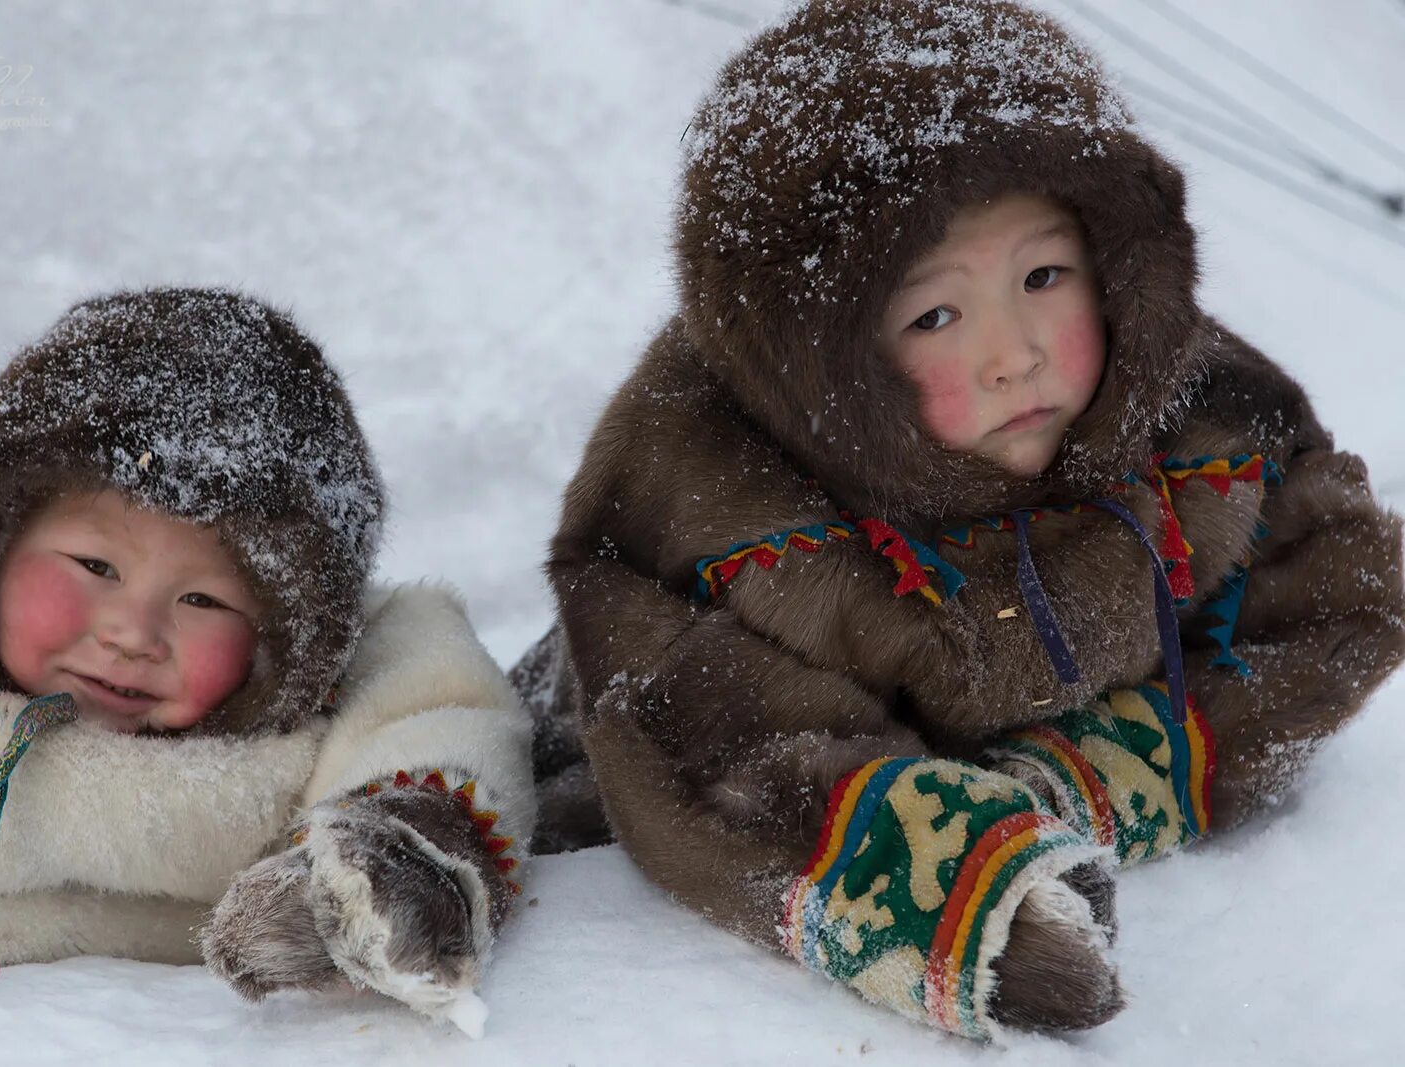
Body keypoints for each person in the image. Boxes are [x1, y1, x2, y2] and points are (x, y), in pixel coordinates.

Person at [512, 0, 1403, 1040]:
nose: (1014, 351)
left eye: (1042, 276)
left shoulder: (1194, 413)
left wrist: (1105, 767)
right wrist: (962, 898)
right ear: (826, 359)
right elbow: (725, 749)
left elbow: (1336, 591)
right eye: (936, 313)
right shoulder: (710, 499)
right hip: (581, 709)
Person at [0, 288, 533, 1034]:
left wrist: (387, 868)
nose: (134, 632)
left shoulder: (328, 677)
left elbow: (441, 714)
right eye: (95, 564)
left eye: (204, 601)